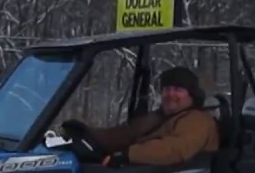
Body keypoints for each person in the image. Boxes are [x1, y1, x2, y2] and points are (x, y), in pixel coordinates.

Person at [60, 66, 219, 167]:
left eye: (177, 89)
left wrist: (127, 156)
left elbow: (174, 149)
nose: (170, 94)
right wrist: (88, 133)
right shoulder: (159, 117)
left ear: (191, 94)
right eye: (166, 89)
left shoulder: (198, 121)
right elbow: (125, 134)